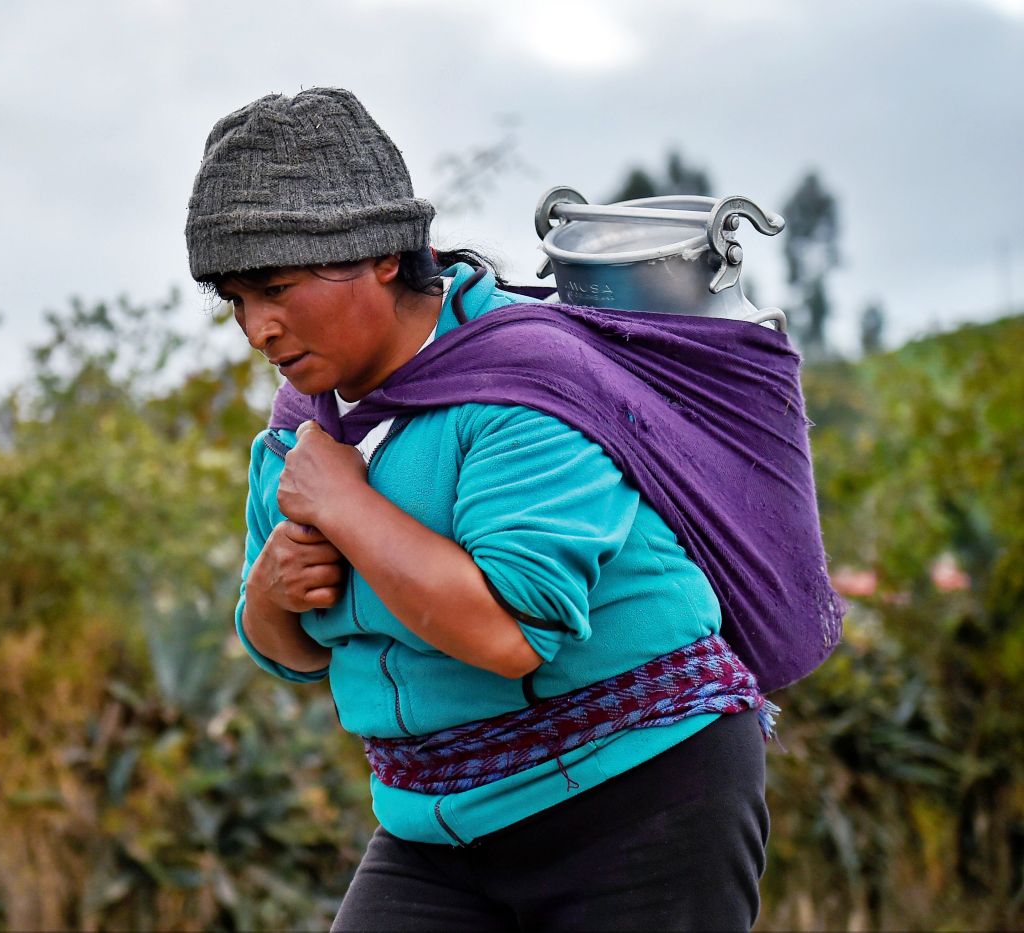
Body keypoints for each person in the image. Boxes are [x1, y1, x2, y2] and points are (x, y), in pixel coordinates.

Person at [185, 87, 776, 932]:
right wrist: (274, 590)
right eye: (236, 299)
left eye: (275, 286)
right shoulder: (300, 430)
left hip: (642, 794)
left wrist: (347, 507)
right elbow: (284, 651)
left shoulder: (528, 382)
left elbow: (508, 635)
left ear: (382, 255)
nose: (258, 328)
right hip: (439, 823)